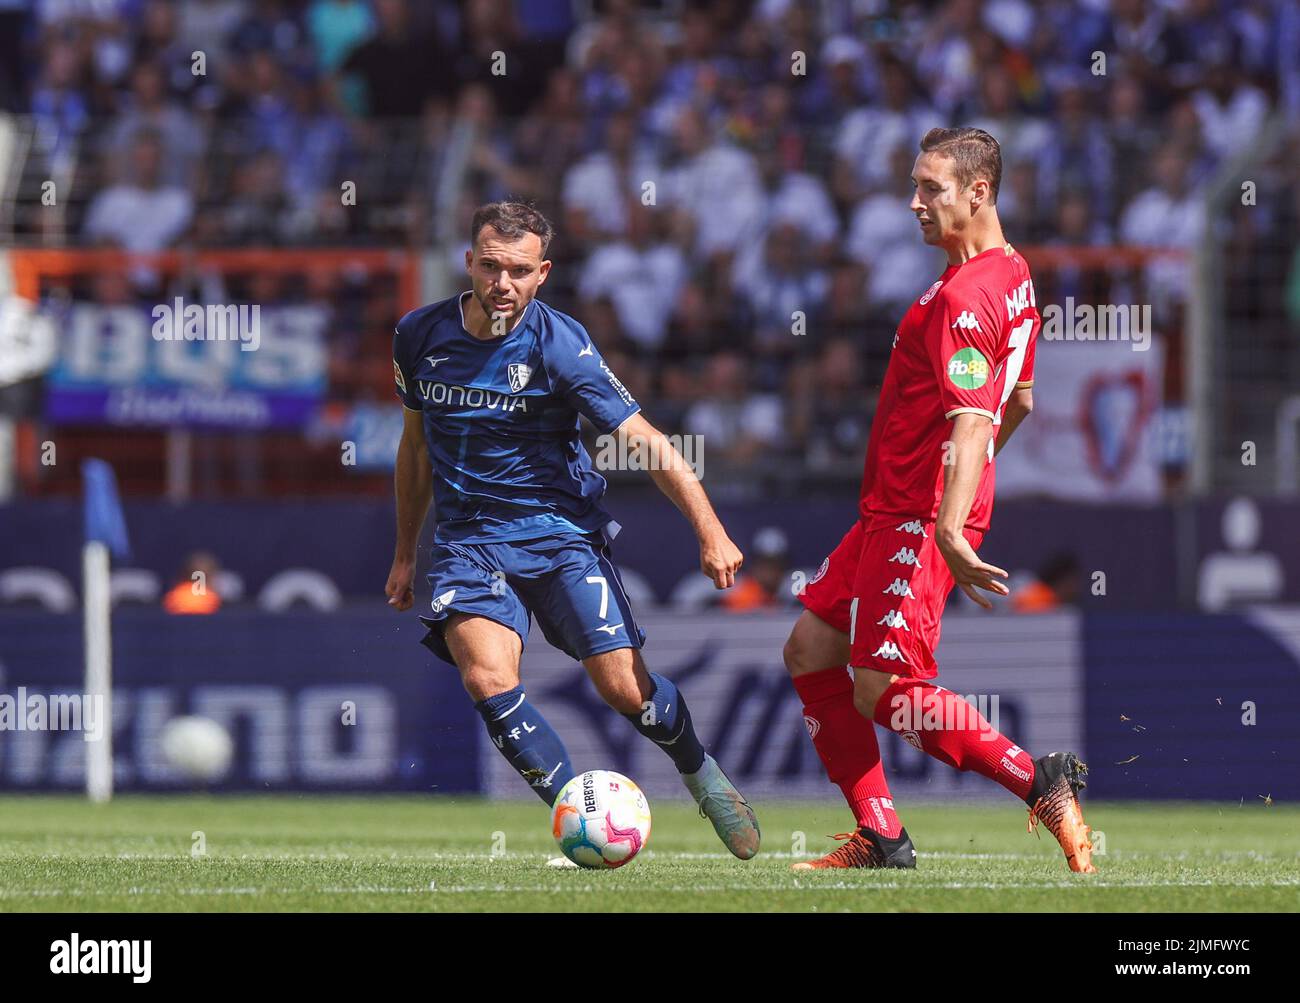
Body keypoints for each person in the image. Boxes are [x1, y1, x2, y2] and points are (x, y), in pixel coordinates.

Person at [385, 201, 760, 860]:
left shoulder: (561, 344)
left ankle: (699, 770)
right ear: (469, 262)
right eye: (492, 266)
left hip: (558, 533)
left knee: (622, 689)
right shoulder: (418, 336)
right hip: (469, 541)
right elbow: (414, 447)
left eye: (520, 271)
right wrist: (403, 553)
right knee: (487, 679)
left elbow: (644, 440)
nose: (504, 283)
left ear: (543, 273)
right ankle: (581, 817)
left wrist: (711, 529)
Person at [781, 128, 1095, 873]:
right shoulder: (1011, 273)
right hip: (894, 508)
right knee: (809, 648)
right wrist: (969, 480)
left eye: (931, 188)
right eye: (916, 186)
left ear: (978, 192)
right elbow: (1017, 399)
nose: (914, 202)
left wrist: (949, 521)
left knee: (885, 689)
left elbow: (977, 415)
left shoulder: (963, 296)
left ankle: (1038, 780)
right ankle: (882, 835)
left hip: (917, 514)